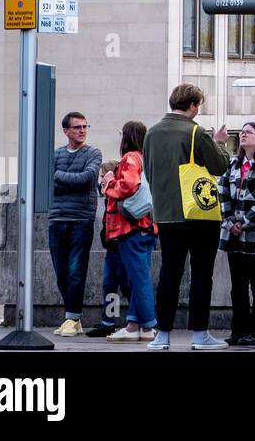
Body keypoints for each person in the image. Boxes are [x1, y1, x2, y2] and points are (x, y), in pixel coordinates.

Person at [142, 84, 230, 350]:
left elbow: (149, 172)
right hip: (198, 214)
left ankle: (162, 335)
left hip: (167, 214)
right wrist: (221, 143)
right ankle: (200, 335)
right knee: (202, 274)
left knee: (170, 273)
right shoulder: (196, 132)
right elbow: (220, 165)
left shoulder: (152, 133)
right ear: (192, 105)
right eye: (198, 105)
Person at [101, 121, 159, 343]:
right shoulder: (148, 158)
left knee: (139, 279)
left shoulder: (130, 158)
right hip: (148, 226)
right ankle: (135, 325)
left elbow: (127, 186)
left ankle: (149, 325)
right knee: (139, 276)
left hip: (131, 227)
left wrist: (108, 183)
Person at [49, 111, 101, 336]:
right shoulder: (55, 154)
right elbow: (45, 183)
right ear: (66, 131)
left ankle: (71, 317)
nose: (82, 131)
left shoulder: (93, 153)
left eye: (85, 126)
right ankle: (73, 317)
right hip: (57, 219)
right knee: (61, 272)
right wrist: (69, 180)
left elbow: (87, 180)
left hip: (81, 219)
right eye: (77, 127)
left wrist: (58, 176)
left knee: (76, 271)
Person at [218, 122, 255, 347]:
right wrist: (230, 222)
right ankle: (238, 330)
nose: (243, 135)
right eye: (242, 132)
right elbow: (223, 193)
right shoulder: (232, 164)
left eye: (249, 132)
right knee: (237, 286)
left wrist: (246, 222)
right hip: (234, 235)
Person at [86, 161, 130, 338]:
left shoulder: (117, 194)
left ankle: (137, 321)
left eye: (103, 176)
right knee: (109, 285)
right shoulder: (108, 195)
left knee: (126, 285)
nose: (101, 181)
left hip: (120, 245)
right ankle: (108, 321)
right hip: (111, 246)